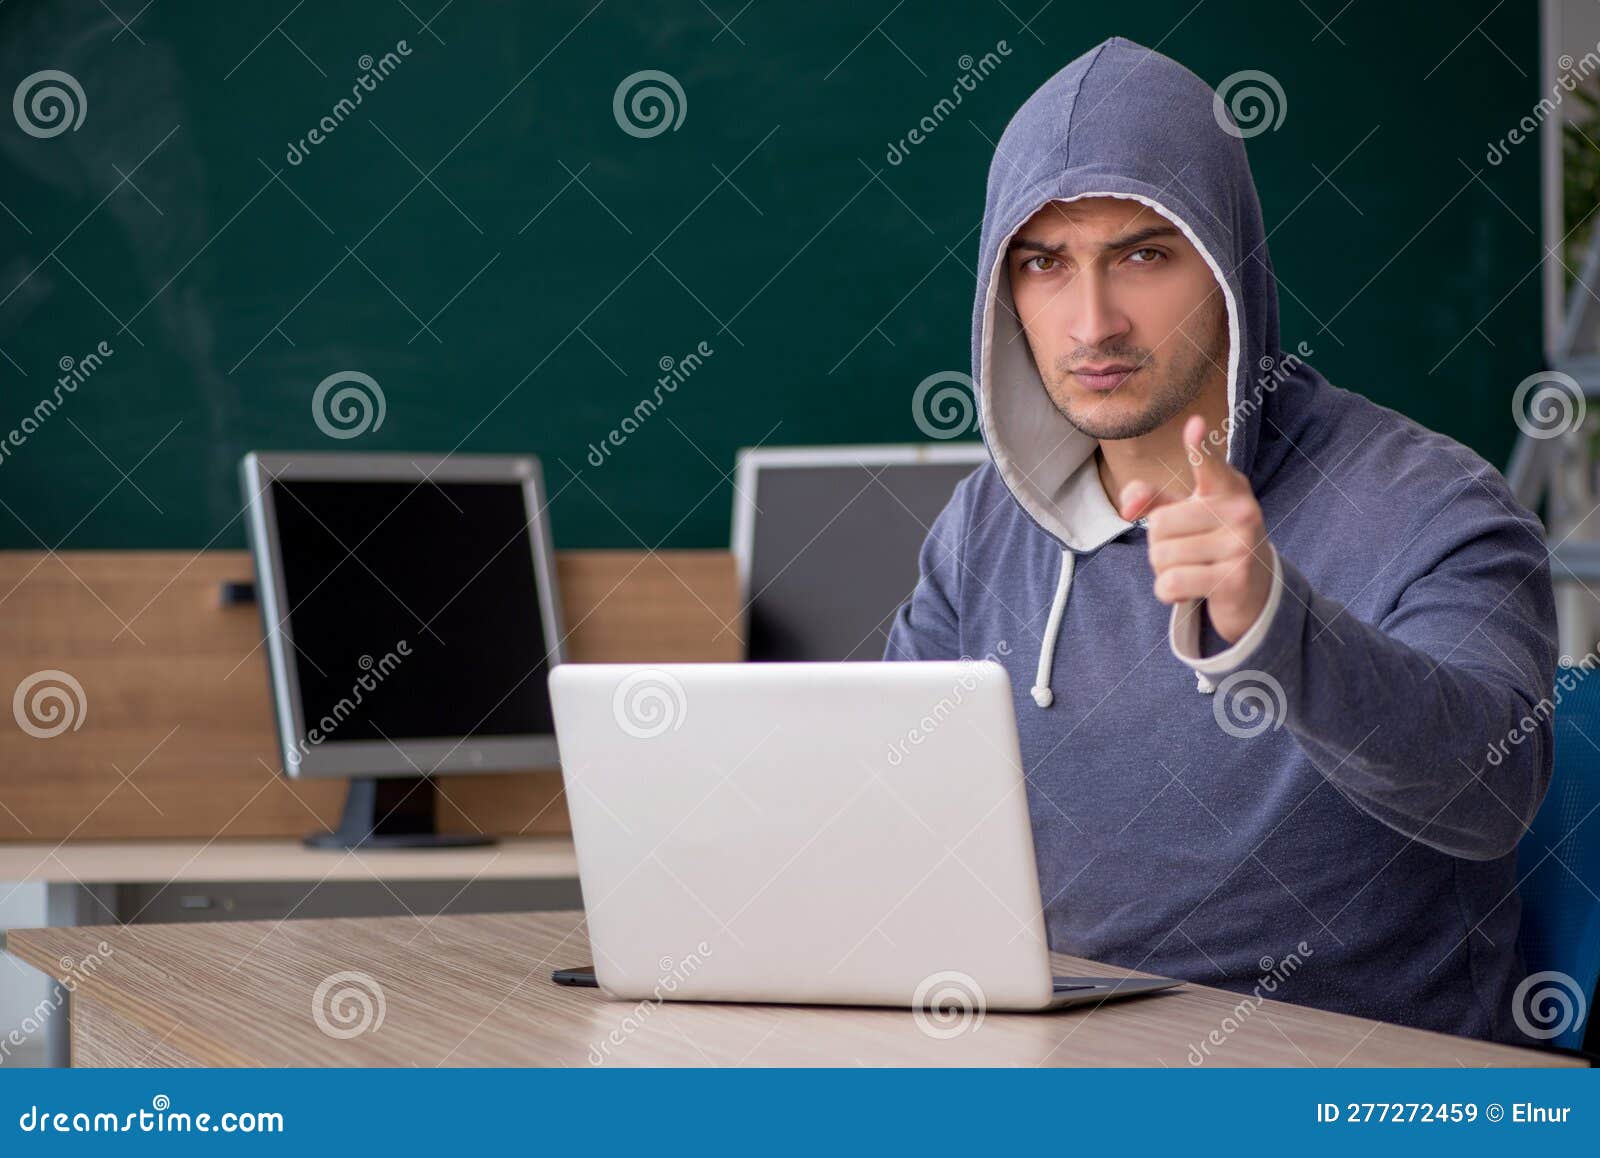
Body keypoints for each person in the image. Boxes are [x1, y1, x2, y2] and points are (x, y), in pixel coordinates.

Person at [885, 36, 1558, 1046]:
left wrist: (1276, 627)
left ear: (1229, 261)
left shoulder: (1435, 504)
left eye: (1143, 255)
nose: (1090, 324)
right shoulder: (982, 528)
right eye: (1044, 265)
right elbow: (886, 810)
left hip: (1351, 1088)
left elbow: (1490, 794)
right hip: (1057, 1069)